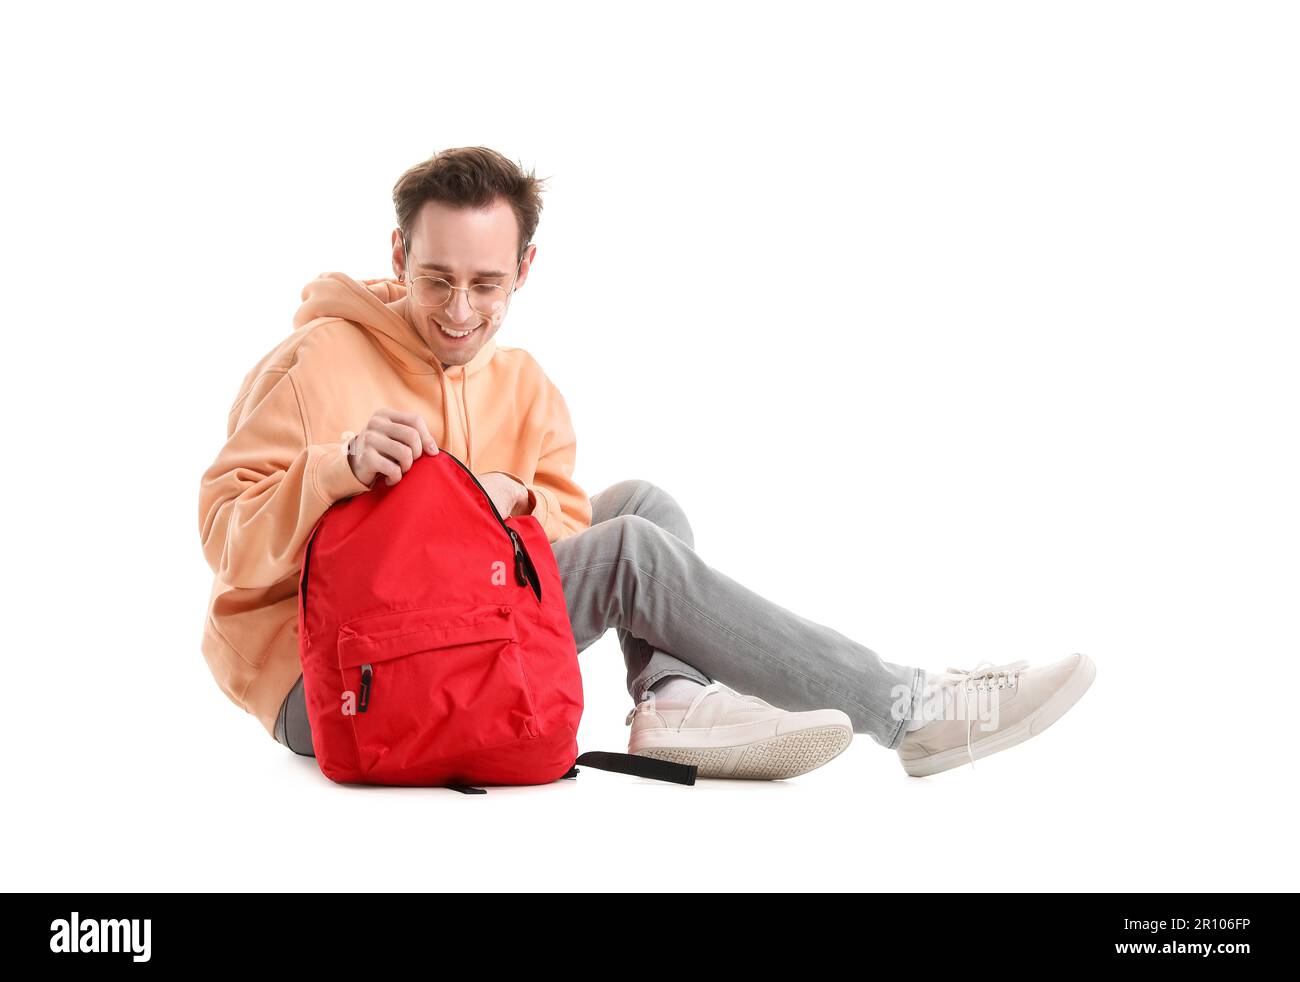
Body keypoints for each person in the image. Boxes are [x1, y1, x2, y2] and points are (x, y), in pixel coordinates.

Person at [197, 147, 1095, 781]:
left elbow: (547, 533)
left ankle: (667, 701)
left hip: (449, 654)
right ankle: (907, 709)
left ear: (524, 269)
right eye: (436, 279)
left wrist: (510, 503)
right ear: (398, 254)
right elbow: (224, 543)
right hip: (332, 689)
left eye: (487, 284)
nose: (459, 311)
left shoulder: (526, 387)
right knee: (630, 551)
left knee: (643, 505)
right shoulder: (318, 360)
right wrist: (335, 467)